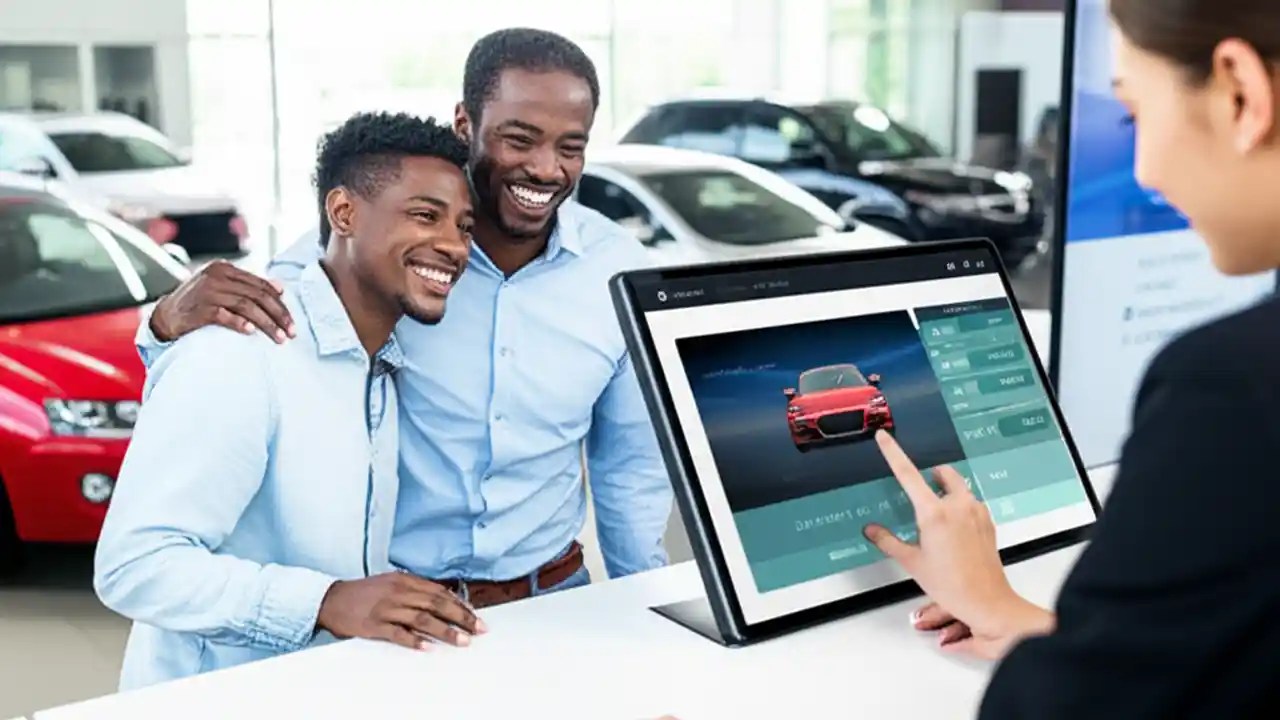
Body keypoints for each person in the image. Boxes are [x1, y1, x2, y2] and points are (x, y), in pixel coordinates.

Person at [133, 29, 672, 609]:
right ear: (466, 124)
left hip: (555, 596)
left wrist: (646, 612)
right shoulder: (382, 251)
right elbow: (251, 342)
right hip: (391, 606)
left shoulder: (619, 270)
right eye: (521, 140)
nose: (546, 169)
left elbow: (632, 471)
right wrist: (163, 326)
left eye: (571, 147)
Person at [859, 1, 1280, 717]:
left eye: (1133, 114)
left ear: (1240, 92)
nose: (1143, 171)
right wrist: (1035, 624)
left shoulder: (1234, 388)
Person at [93, 112, 485, 691]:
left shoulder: (381, 365)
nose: (453, 245)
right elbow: (134, 566)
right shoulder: (241, 351)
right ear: (343, 213)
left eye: (464, 226)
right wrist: (325, 601)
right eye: (425, 215)